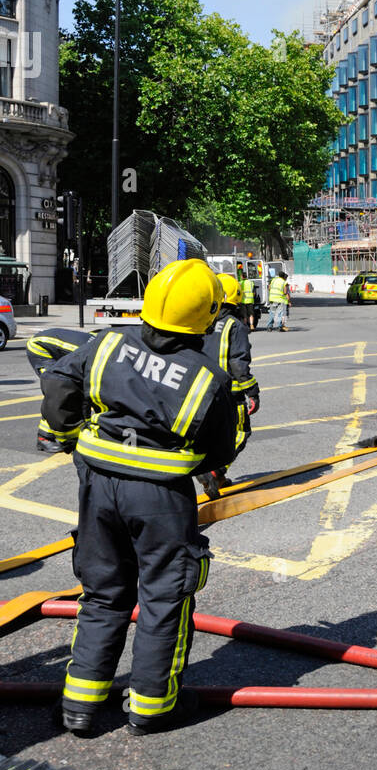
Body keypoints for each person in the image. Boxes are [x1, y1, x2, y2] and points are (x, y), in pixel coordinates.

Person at [39, 259, 236, 736]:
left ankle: (80, 706)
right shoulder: (209, 380)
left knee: (103, 592)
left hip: (98, 487)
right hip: (161, 498)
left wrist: (66, 433)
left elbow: (59, 379)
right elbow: (221, 450)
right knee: (164, 596)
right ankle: (152, 707)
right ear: (208, 316)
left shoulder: (106, 344)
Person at [200, 273, 260, 491]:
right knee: (240, 433)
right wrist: (252, 392)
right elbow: (239, 363)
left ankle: (217, 478)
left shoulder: (202, 321)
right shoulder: (234, 326)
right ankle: (215, 470)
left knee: (210, 433)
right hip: (230, 394)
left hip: (200, 390)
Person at [26, 327, 96, 451]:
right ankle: (44, 438)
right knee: (57, 394)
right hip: (41, 349)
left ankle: (69, 433)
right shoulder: (97, 354)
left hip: (58, 350)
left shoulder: (102, 346)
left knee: (71, 393)